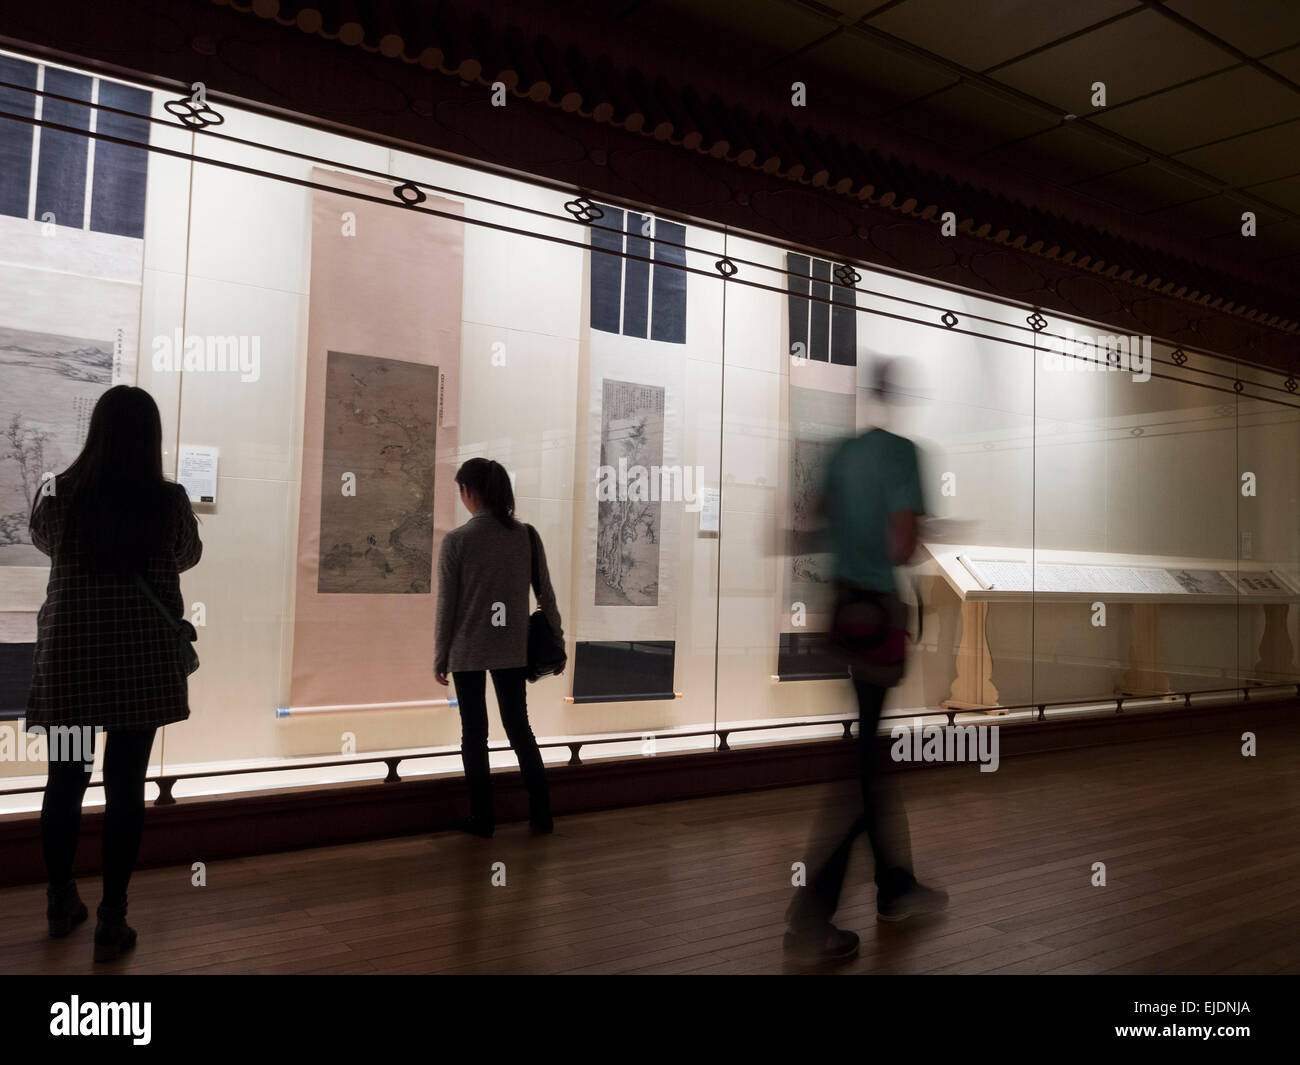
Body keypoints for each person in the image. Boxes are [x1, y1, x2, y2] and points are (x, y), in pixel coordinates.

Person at [27, 385, 202, 963]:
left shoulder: (58, 495)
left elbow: (43, 542)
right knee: (125, 786)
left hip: (72, 664)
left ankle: (59, 902)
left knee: (65, 781)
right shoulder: (169, 500)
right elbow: (186, 556)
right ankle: (112, 919)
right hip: (140, 667)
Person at [784, 358, 947, 965]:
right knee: (863, 776)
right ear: (900, 395)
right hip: (879, 618)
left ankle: (894, 887)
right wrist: (923, 534)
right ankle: (812, 913)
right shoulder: (904, 454)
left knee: (869, 757)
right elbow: (902, 544)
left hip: (845, 615)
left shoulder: (841, 453)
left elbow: (811, 524)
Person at [434, 458, 563, 838]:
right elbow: (547, 597)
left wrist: (440, 656)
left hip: (468, 651)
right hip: (511, 648)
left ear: (469, 492)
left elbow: (448, 607)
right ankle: (542, 814)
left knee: (474, 734)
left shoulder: (456, 541)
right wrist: (557, 641)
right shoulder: (526, 535)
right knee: (519, 729)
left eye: (462, 491)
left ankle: (482, 819)